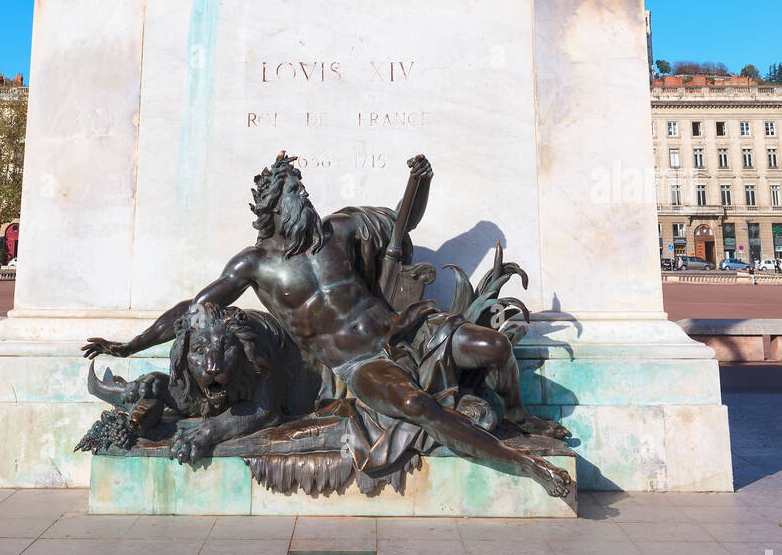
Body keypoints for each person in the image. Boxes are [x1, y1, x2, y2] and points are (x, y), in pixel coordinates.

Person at [84, 151, 570, 498]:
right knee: (417, 406)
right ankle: (527, 465)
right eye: (293, 194)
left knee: (495, 348)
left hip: (408, 330)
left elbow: (406, 220)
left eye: (302, 190)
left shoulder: (342, 228)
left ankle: (521, 418)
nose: (303, 199)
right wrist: (130, 346)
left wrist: (421, 181)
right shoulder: (254, 266)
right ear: (272, 207)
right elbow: (193, 308)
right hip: (360, 365)